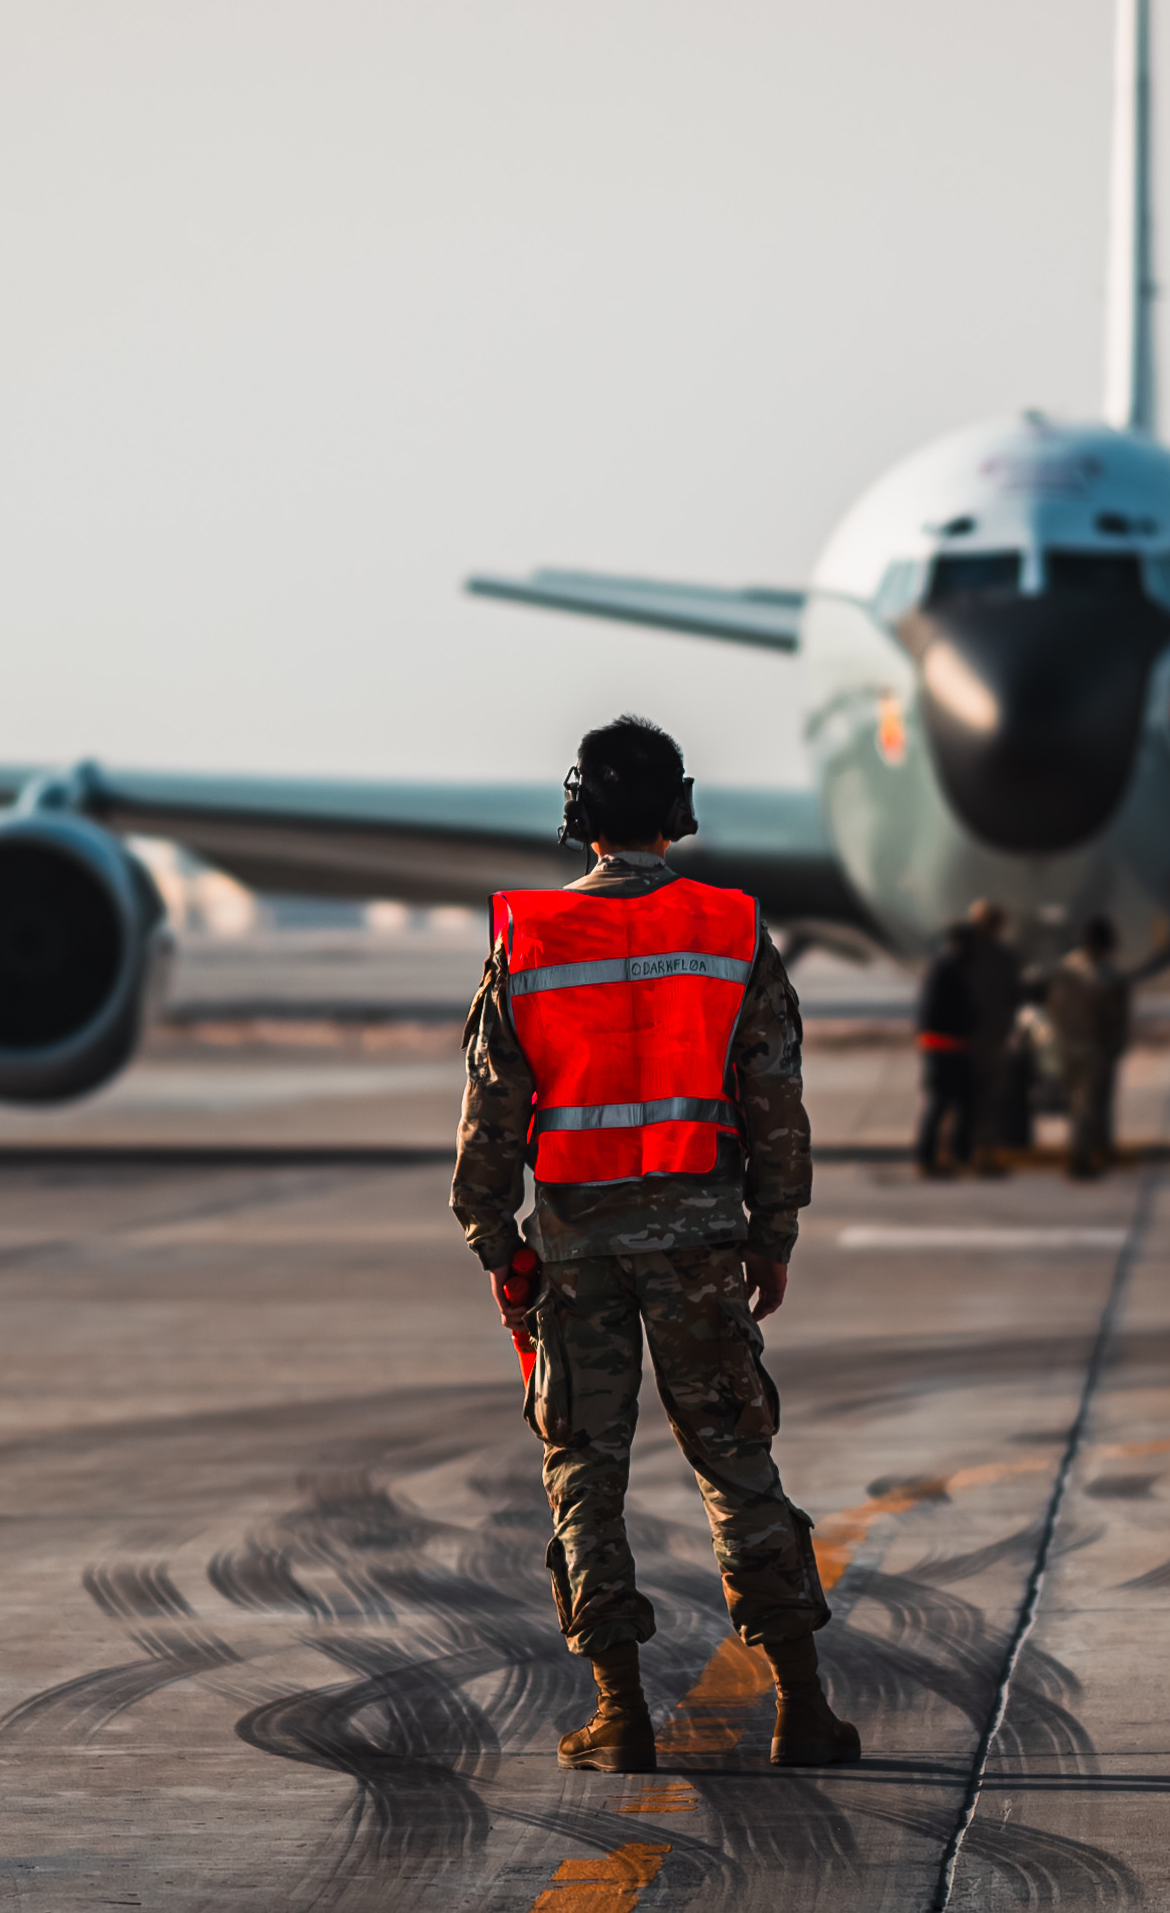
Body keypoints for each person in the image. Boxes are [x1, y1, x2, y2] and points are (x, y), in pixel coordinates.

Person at [451, 715, 859, 1774]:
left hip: (577, 1251)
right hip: (701, 1249)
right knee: (738, 1465)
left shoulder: (530, 939)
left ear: (577, 816)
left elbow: (492, 1112)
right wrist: (774, 1231)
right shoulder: (729, 930)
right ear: (678, 811)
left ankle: (621, 1715)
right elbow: (774, 1096)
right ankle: (803, 1708)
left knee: (585, 1472)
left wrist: (498, 1241)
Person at [1041, 915, 1134, 1179]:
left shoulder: (1064, 971)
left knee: (1077, 1104)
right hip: (1095, 1049)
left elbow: (1051, 1011)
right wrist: (1114, 1048)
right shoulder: (1108, 977)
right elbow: (1117, 1021)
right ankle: (1084, 1157)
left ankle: (1090, 1152)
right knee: (1092, 1106)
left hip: (1066, 1047)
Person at [912, 917, 983, 1179]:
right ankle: (930, 1158)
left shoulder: (949, 968)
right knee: (942, 1102)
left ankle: (952, 1156)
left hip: (952, 1046)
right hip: (945, 1048)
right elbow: (939, 1014)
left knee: (961, 1103)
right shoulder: (946, 970)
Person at [962, 899, 1028, 1175]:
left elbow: (1014, 997)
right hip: (974, 1039)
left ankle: (980, 1156)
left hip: (987, 1039)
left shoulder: (981, 959)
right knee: (973, 1100)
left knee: (986, 1100)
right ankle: (969, 1154)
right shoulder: (974, 959)